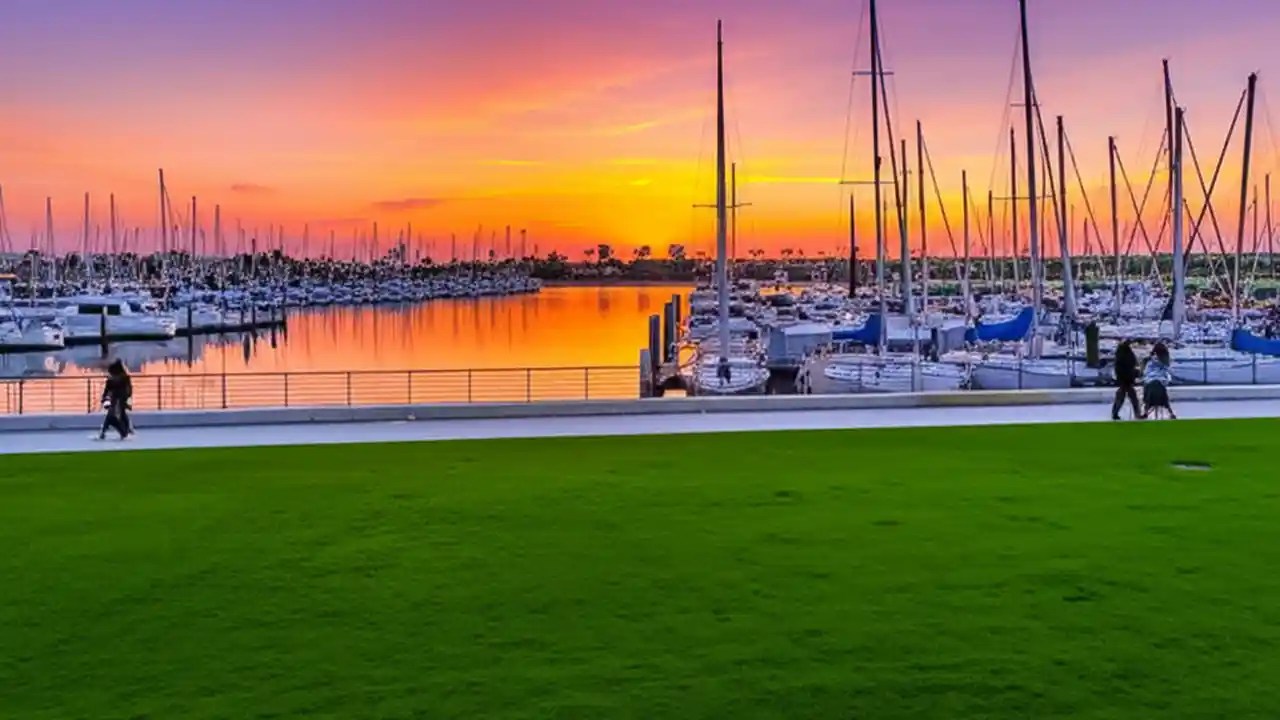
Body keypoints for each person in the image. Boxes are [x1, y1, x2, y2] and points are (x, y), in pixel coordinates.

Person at [97, 360, 134, 440]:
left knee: (112, 416)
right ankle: (125, 431)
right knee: (120, 415)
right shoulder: (124, 378)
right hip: (120, 400)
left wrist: (104, 398)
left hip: (118, 400)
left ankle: (122, 432)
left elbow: (106, 390)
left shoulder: (113, 380)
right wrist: (128, 398)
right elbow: (129, 389)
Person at [1141, 342, 1176, 420]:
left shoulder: (1149, 360)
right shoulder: (1165, 361)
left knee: (1148, 395)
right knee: (1164, 397)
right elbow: (1167, 371)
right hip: (1160, 381)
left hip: (1150, 381)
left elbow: (1145, 372)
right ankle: (1170, 412)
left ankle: (1146, 411)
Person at [1110, 339, 1141, 420]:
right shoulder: (1127, 354)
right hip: (1127, 379)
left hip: (1123, 379)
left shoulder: (1120, 354)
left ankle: (1115, 413)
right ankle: (1137, 414)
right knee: (1132, 398)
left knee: (1122, 397)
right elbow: (1132, 364)